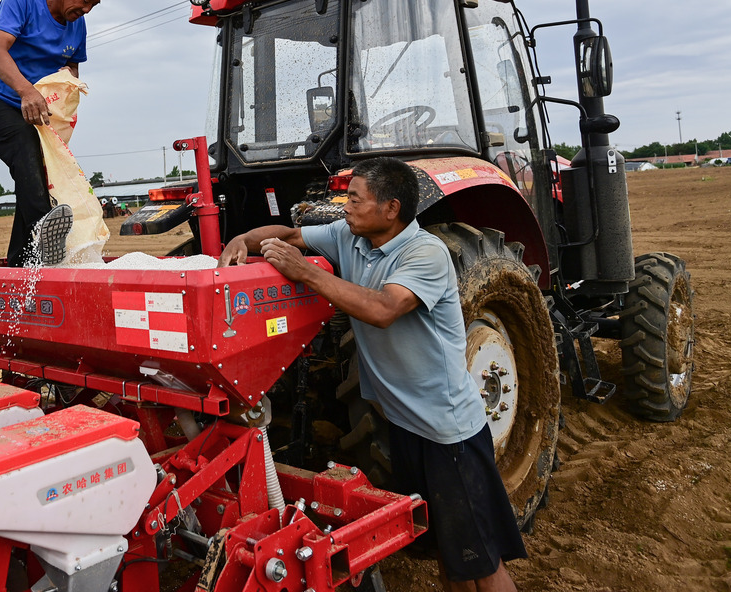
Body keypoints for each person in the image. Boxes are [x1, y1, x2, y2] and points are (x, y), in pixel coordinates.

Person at [217, 157, 525, 592]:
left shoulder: (426, 254)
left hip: (447, 436)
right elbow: (288, 235)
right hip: (404, 428)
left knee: (481, 563)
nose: (345, 207)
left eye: (355, 199)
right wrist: (243, 239)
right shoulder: (350, 236)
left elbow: (383, 309)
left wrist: (303, 271)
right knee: (449, 555)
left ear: (391, 208)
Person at [0, 0, 106, 267]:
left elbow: (69, 73)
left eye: (94, 5)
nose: (87, 10)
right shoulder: (22, 0)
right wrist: (26, 91)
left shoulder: (77, 26)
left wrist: (63, 117)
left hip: (34, 115)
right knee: (26, 147)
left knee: (41, 176)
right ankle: (46, 230)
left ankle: (22, 260)